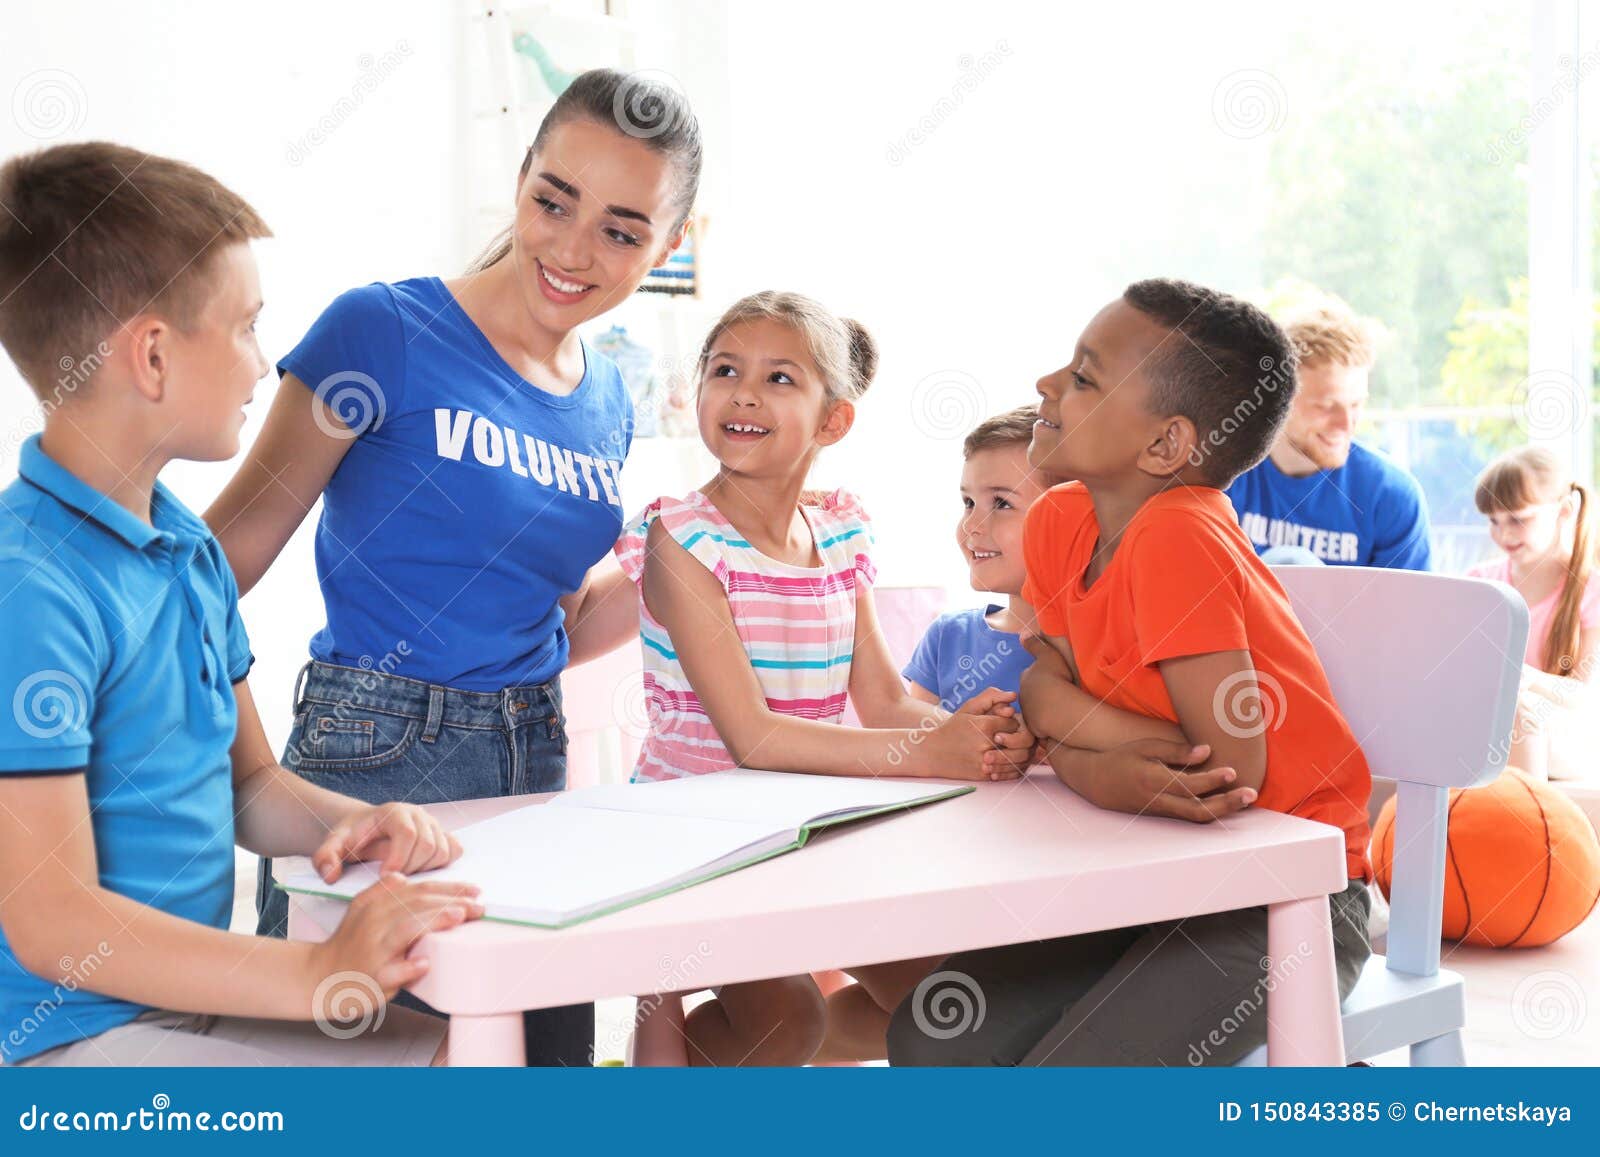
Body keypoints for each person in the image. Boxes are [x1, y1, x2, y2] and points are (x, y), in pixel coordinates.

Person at [203, 70, 702, 1065]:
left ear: (670, 245)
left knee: (541, 1076)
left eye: (620, 228)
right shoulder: (381, 331)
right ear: (519, 179)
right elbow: (220, 561)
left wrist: (685, 553)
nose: (571, 250)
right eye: (553, 201)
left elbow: (561, 619)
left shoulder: (606, 400)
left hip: (533, 759)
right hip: (376, 753)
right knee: (360, 1083)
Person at [0, 142, 481, 1067]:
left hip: (176, 1005)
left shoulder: (185, 547)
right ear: (151, 355)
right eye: (247, 326)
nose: (265, 361)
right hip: (64, 1042)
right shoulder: (31, 586)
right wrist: (309, 974)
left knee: (450, 1048)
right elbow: (53, 923)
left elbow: (250, 787)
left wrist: (350, 818)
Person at [888, 278, 1373, 1067]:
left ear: (1164, 446)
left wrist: (1069, 731)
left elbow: (1223, 771)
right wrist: (1099, 762)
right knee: (929, 1033)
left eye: (1083, 377)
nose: (1047, 385)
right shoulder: (1057, 521)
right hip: (1145, 861)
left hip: (1286, 896)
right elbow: (1044, 685)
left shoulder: (1178, 534)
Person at [614, 291, 1035, 1065]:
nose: (742, 391)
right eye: (724, 370)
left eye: (779, 378)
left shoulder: (840, 530)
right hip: (693, 832)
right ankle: (653, 1061)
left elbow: (880, 699)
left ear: (833, 420)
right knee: (788, 1021)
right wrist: (937, 752)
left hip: (806, 816)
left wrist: (964, 736)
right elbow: (754, 737)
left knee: (947, 1002)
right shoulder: (682, 539)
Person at [1226, 297, 1432, 569]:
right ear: (1276, 399)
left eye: (1356, 404)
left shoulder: (1392, 497)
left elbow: (1407, 610)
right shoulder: (1221, 478)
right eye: (1325, 406)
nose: (1346, 424)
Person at [1468, 446, 1598, 782]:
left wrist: (1521, 678)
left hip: (1570, 737)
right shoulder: (1481, 583)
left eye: (1517, 519)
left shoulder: (1590, 590)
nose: (1503, 533)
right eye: (1494, 521)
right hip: (1492, 730)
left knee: (1519, 712)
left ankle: (1525, 823)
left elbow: (1585, 698)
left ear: (1564, 511)